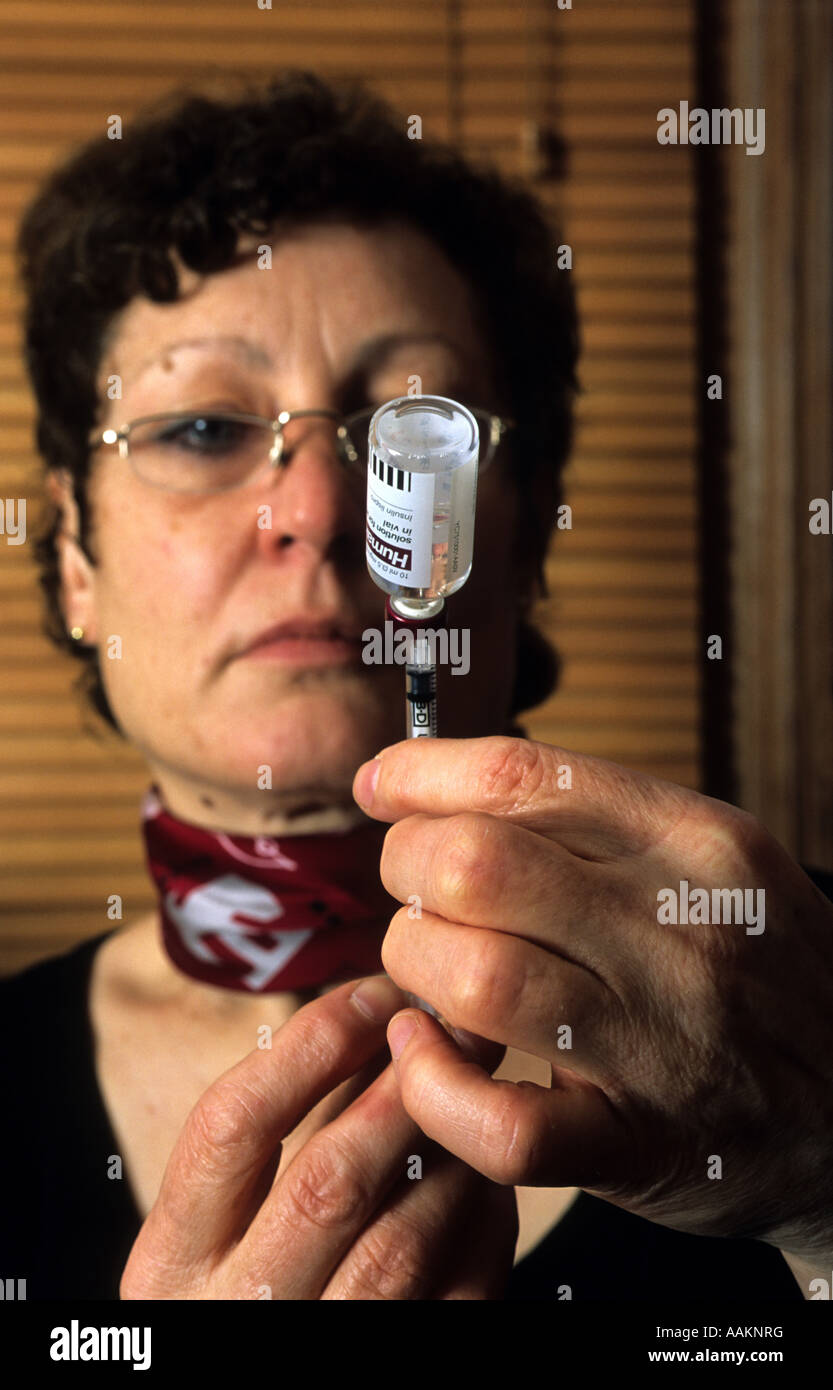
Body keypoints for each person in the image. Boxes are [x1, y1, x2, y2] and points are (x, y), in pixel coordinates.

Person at [2, 69, 831, 1302]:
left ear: (524, 538)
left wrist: (822, 1206)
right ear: (75, 561)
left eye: (410, 427)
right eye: (200, 429)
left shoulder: (800, 1004)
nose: (323, 511)